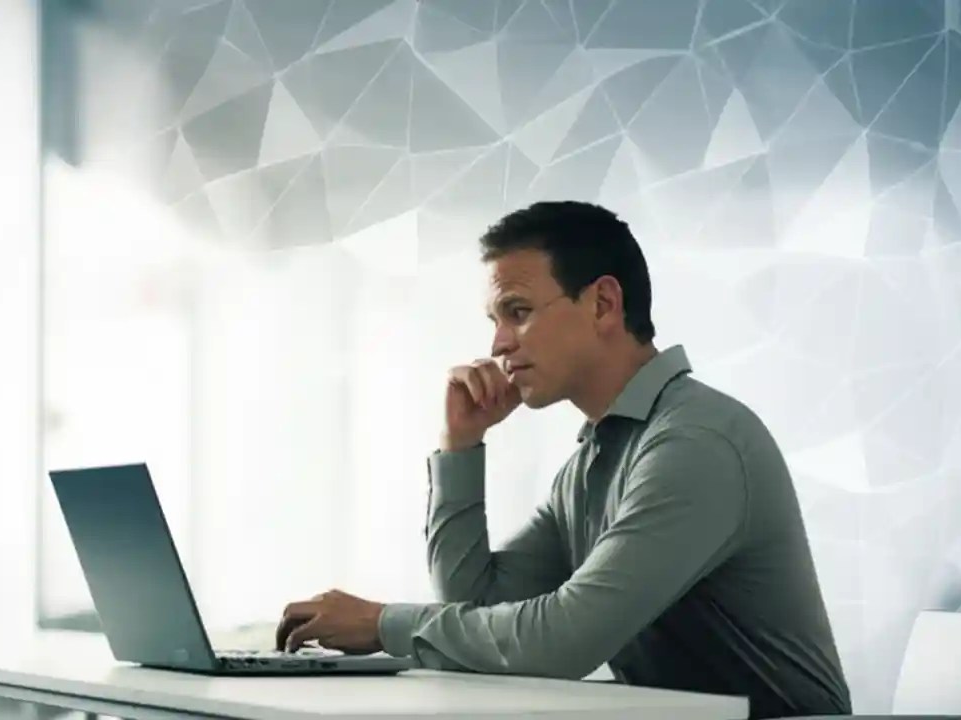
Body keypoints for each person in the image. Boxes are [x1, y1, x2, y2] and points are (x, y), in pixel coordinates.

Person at [275, 201, 852, 719]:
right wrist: (460, 448)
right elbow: (476, 606)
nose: (499, 344)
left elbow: (562, 642)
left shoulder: (695, 444)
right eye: (495, 321)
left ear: (603, 303)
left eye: (518, 310)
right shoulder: (595, 462)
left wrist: (382, 624)